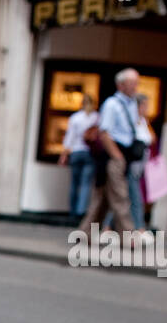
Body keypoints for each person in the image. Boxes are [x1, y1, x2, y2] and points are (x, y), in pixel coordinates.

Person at [78, 68, 140, 237]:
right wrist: (117, 156)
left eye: (136, 83)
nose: (136, 86)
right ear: (120, 85)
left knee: (102, 199)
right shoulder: (112, 105)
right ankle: (128, 235)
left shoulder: (132, 104)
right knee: (120, 197)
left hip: (123, 156)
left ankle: (85, 233)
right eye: (132, 83)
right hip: (113, 157)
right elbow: (104, 132)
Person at [58, 93, 97, 222]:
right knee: (85, 183)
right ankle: (81, 211)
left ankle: (73, 211)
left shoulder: (75, 118)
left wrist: (64, 154)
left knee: (75, 183)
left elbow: (70, 137)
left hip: (76, 152)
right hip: (89, 153)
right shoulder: (96, 118)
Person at [127, 91, 154, 228]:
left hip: (141, 163)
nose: (147, 109)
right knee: (135, 197)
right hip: (133, 163)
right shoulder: (131, 120)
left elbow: (152, 138)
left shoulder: (143, 121)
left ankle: (108, 226)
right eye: (145, 106)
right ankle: (140, 227)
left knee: (126, 196)